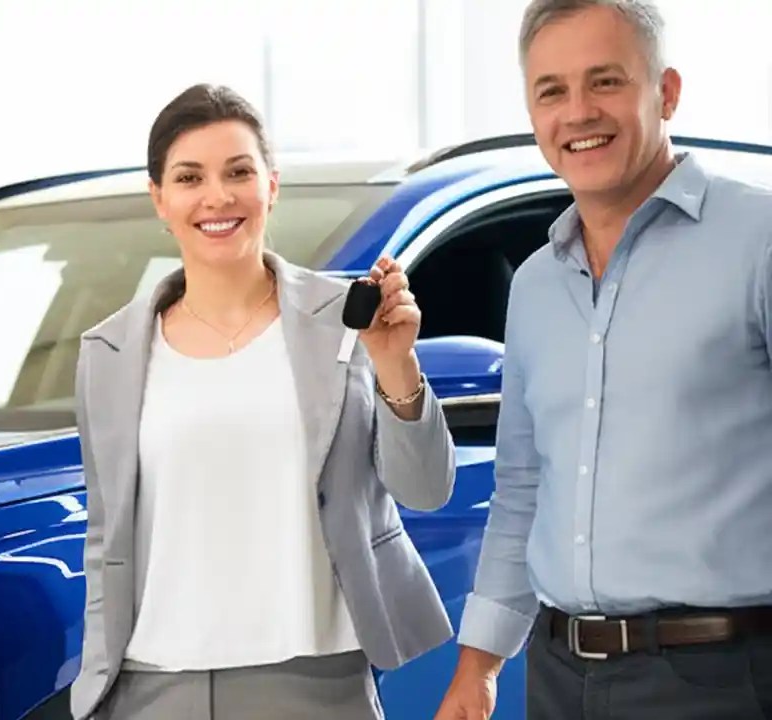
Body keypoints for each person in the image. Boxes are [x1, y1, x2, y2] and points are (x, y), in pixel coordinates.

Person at [68, 82, 456, 720]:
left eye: (238, 172)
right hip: (154, 689)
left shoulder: (348, 320)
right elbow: (105, 534)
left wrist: (395, 363)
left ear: (271, 184)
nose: (216, 196)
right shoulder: (107, 352)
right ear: (159, 199)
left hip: (315, 686)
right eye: (189, 177)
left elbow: (424, 489)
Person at [434, 2, 772, 719]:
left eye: (606, 82)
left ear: (667, 91)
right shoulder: (534, 286)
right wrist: (480, 665)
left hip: (724, 678)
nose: (578, 112)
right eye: (551, 90)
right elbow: (522, 487)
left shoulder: (758, 243)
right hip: (561, 679)